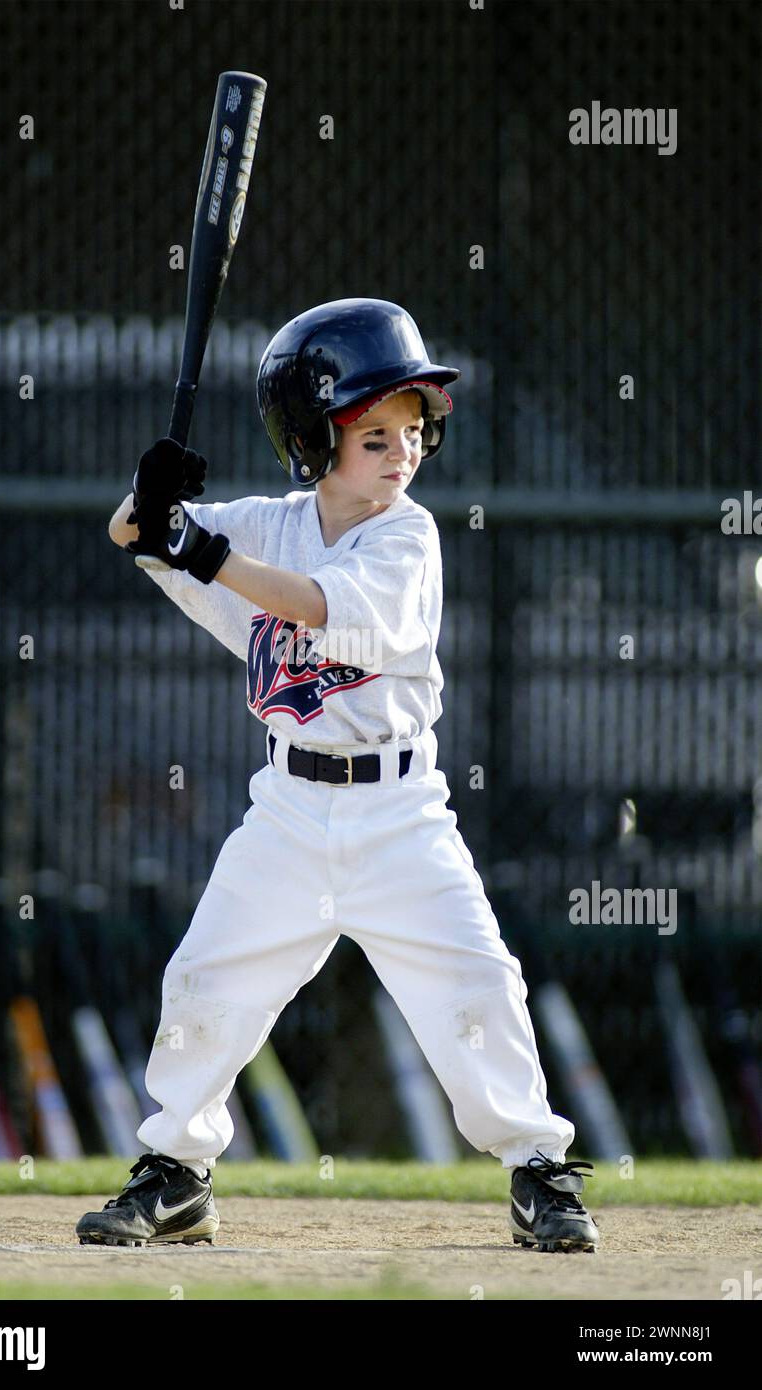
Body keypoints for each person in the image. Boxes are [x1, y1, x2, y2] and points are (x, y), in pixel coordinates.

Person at [75, 298, 599, 1254]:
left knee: (475, 987)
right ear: (314, 442)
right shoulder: (270, 526)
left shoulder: (409, 538)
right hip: (287, 808)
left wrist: (204, 547)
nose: (401, 452)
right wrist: (150, 499)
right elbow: (134, 536)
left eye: (413, 430)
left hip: (400, 814)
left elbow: (318, 606)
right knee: (205, 980)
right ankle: (177, 1170)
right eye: (372, 434)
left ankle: (537, 1169)